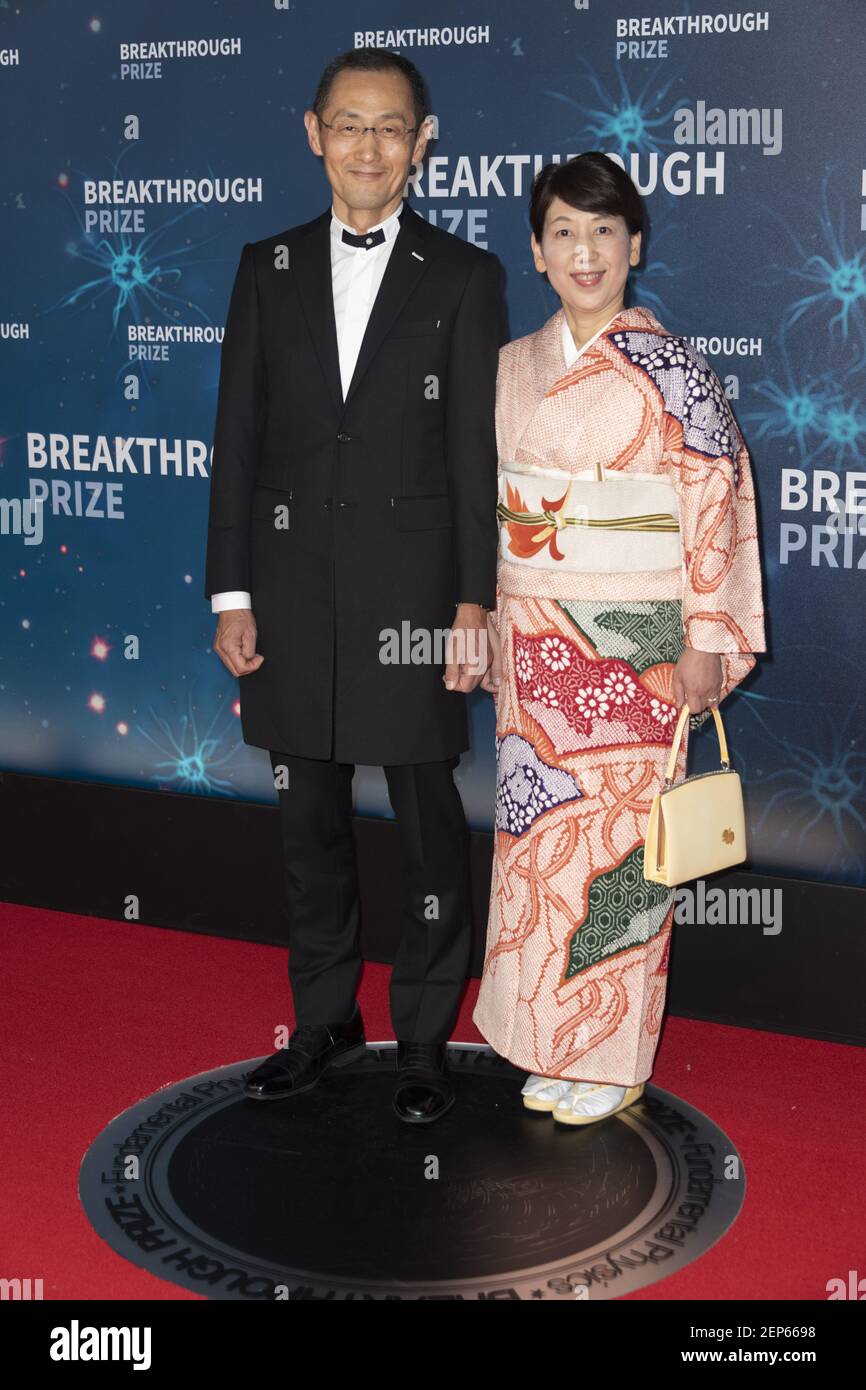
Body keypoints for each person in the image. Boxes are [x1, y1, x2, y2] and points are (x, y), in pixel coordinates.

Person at [205, 48, 505, 1124]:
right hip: (290, 595)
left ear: (422, 142)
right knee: (308, 823)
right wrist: (228, 593)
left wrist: (475, 602)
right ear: (312, 133)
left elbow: (477, 458)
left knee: (428, 823)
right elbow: (235, 441)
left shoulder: (467, 276)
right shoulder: (264, 266)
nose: (367, 146)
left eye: (390, 127)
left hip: (420, 602)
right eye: (348, 124)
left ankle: (424, 1034)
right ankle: (322, 1017)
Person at [473, 152, 766, 1125]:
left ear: (633, 245)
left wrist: (705, 636)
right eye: (562, 231)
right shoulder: (513, 366)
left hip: (633, 640)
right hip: (532, 630)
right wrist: (478, 620)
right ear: (534, 249)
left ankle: (612, 1052)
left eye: (602, 231)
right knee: (534, 850)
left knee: (620, 854)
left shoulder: (673, 371)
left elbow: (713, 502)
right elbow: (489, 511)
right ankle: (541, 1037)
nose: (583, 251)